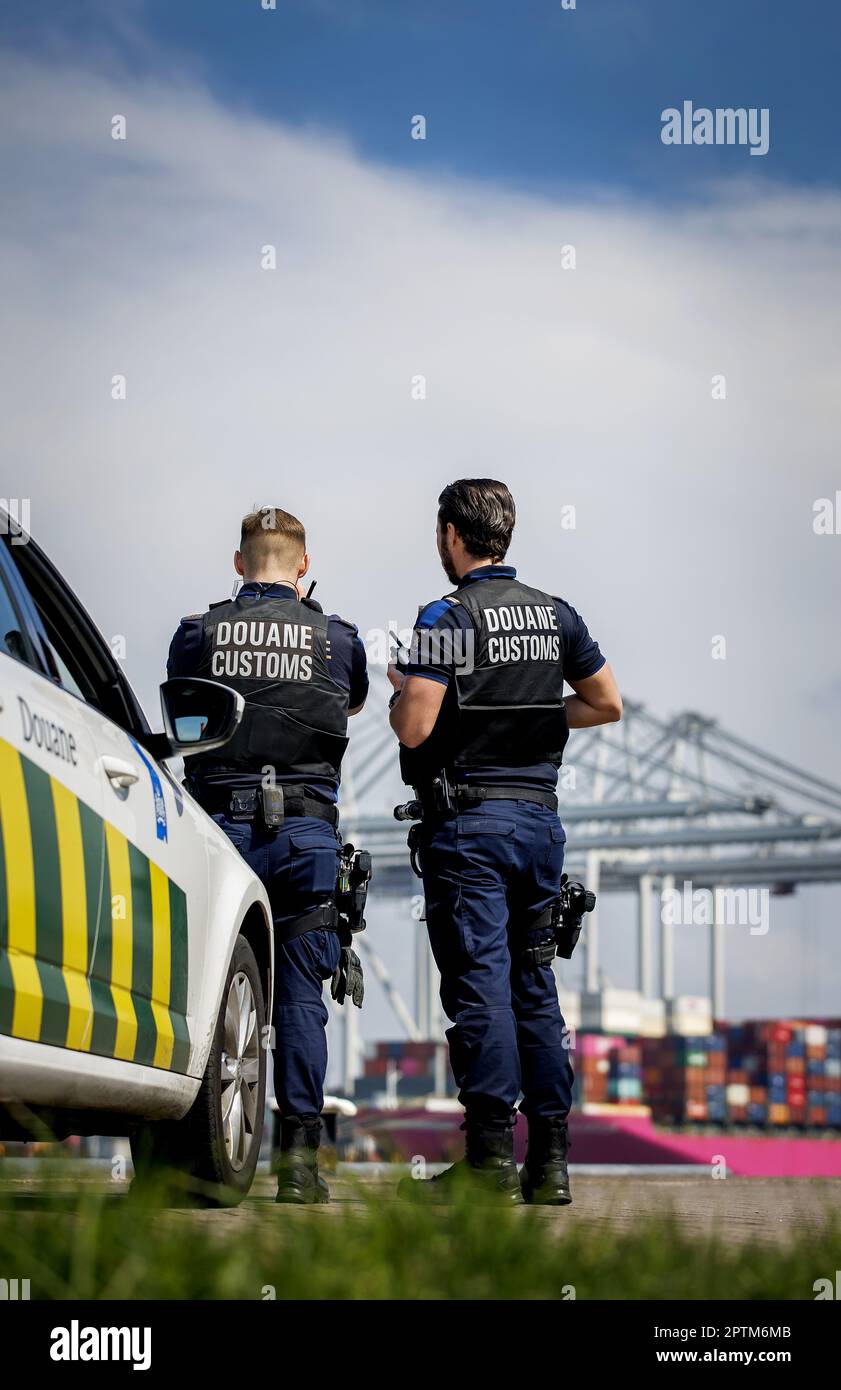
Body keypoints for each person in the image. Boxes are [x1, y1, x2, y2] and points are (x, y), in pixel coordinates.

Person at [388, 479, 622, 1204]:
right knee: (534, 984)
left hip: (471, 828)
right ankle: (549, 1165)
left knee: (479, 989)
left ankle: (489, 1163)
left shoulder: (445, 615)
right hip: (539, 826)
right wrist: (535, 715)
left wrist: (404, 684)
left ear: (452, 536)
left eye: (439, 532)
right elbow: (605, 703)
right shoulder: (556, 616)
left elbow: (413, 728)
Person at [168, 507, 368, 1203]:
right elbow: (347, 706)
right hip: (305, 835)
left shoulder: (196, 635)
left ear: (238, 561)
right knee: (302, 1000)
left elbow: (185, 708)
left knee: (212, 988)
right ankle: (300, 1168)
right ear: (303, 566)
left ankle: (196, 1154)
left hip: (218, 831)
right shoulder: (336, 639)